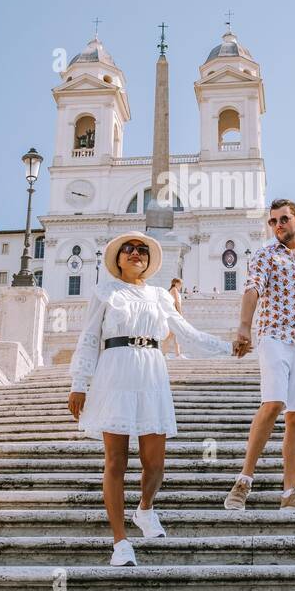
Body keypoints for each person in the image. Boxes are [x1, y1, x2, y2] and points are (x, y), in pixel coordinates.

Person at [68, 232, 234, 565]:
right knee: (115, 461)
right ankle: (120, 542)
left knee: (155, 463)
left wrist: (228, 347)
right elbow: (89, 337)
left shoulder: (159, 295)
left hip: (151, 372)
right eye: (128, 249)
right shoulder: (104, 292)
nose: (135, 253)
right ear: (117, 259)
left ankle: (145, 509)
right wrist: (79, 382)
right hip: (115, 370)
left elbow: (185, 331)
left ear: (148, 261)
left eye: (142, 250)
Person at [224, 198, 295, 512]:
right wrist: (244, 327)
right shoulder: (265, 255)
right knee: (273, 402)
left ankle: (290, 493)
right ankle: (244, 480)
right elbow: (253, 288)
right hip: (275, 337)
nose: (278, 225)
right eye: (273, 221)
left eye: (283, 219)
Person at [161, 277, 184, 358]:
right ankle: (163, 354)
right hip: (174, 315)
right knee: (170, 335)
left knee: (175, 335)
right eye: (180, 284)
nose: (181, 285)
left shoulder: (173, 290)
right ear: (176, 283)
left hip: (173, 314)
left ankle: (178, 354)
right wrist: (180, 314)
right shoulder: (174, 290)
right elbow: (177, 302)